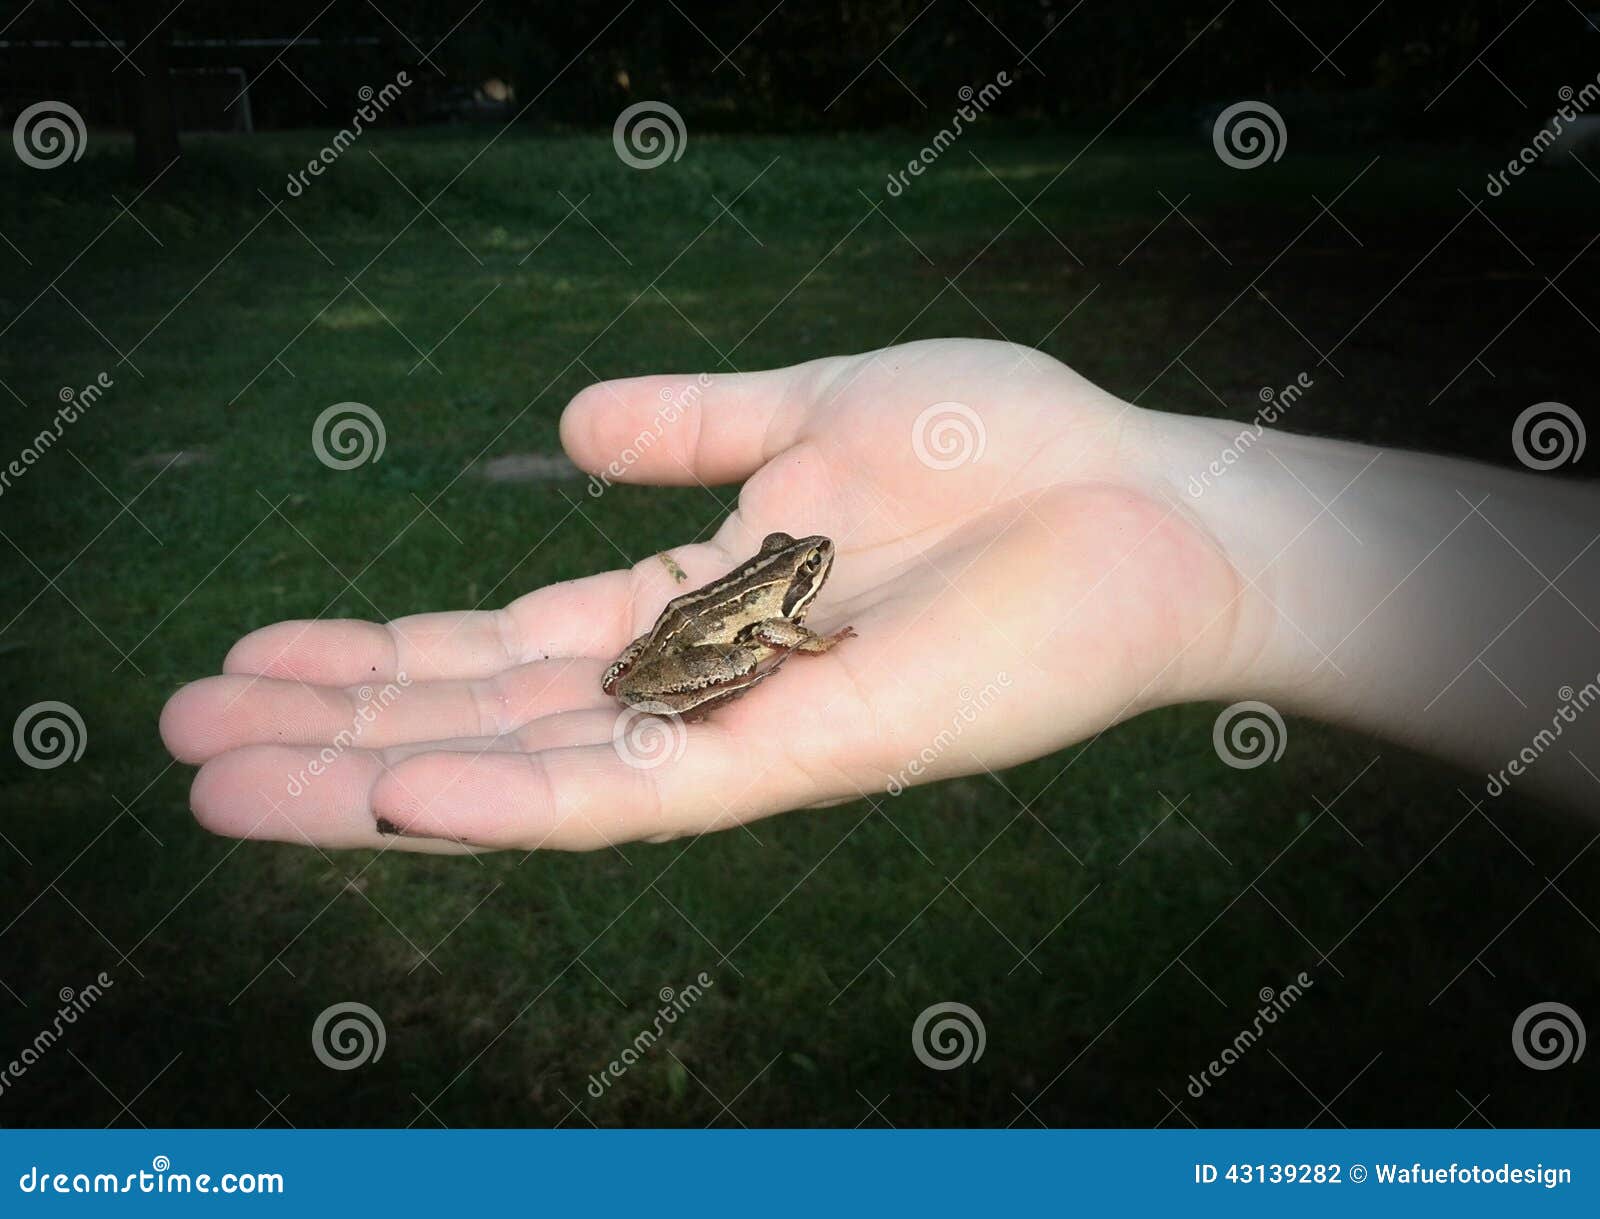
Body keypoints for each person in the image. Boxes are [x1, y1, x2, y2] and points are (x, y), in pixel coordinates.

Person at [159, 339, 1599, 852]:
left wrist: (1196, 527)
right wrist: (783, 628)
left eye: (800, 567)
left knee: (714, 656)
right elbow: (770, 619)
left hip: (673, 638)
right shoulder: (774, 596)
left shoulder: (776, 580)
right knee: (717, 662)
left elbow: (774, 605)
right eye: (801, 568)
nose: (807, 573)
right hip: (672, 655)